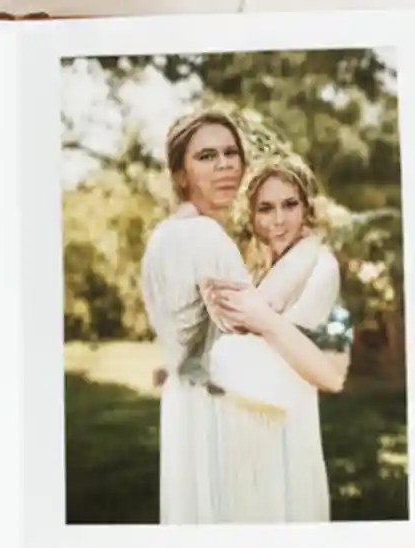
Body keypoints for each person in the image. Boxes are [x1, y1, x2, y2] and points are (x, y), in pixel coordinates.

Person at [139, 110, 341, 525]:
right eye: (207, 156)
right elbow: (258, 320)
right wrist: (310, 245)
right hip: (228, 414)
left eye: (231, 153)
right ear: (180, 175)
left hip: (188, 404)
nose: (226, 164)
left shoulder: (161, 238)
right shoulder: (205, 236)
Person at [204, 157, 350, 523]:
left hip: (284, 422)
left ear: (307, 207)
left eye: (290, 205)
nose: (279, 220)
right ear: (251, 215)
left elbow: (333, 375)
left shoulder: (321, 266)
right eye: (266, 208)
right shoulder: (259, 272)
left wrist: (263, 320)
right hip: (244, 423)